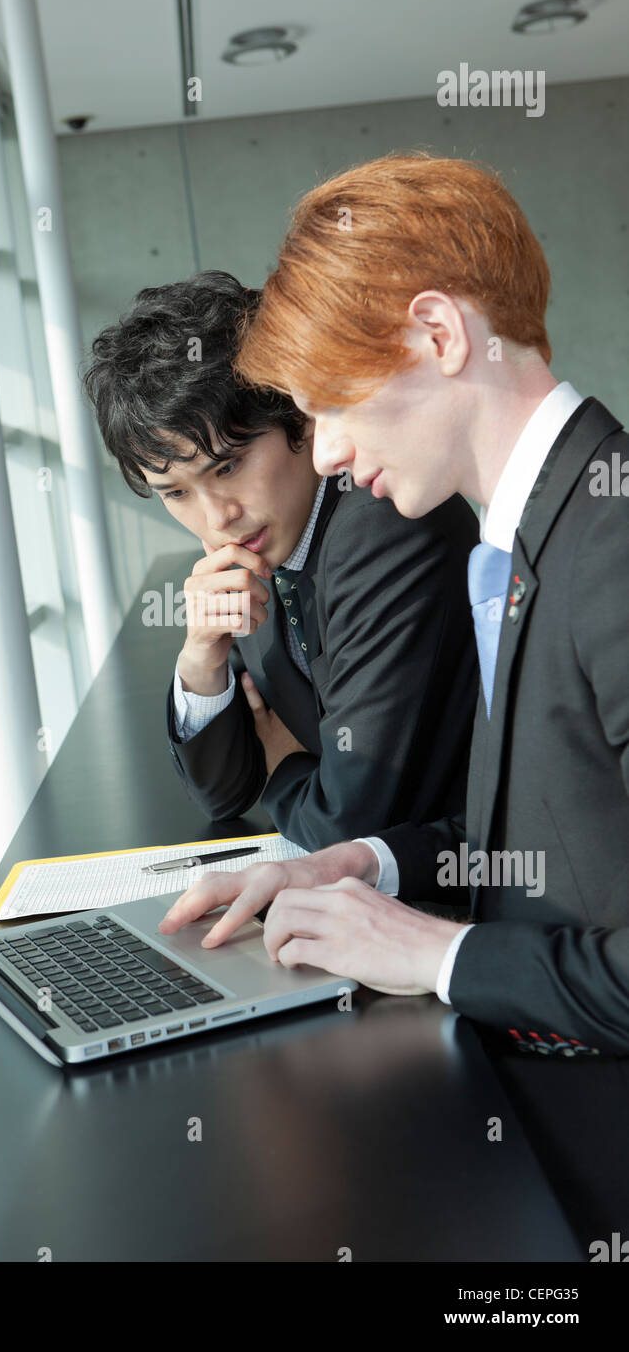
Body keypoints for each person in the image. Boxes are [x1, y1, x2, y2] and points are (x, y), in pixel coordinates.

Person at [159, 152, 629, 1052]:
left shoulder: (610, 543)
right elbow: (545, 833)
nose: (325, 453)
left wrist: (438, 956)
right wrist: (361, 866)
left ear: (439, 336)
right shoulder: (529, 542)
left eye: (331, 404)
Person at [84, 269, 479, 850]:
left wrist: (283, 765)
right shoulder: (254, 549)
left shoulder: (387, 528)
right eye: (176, 493)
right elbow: (222, 796)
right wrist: (202, 660)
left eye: (228, 467)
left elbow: (348, 831)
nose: (217, 516)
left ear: (299, 415)